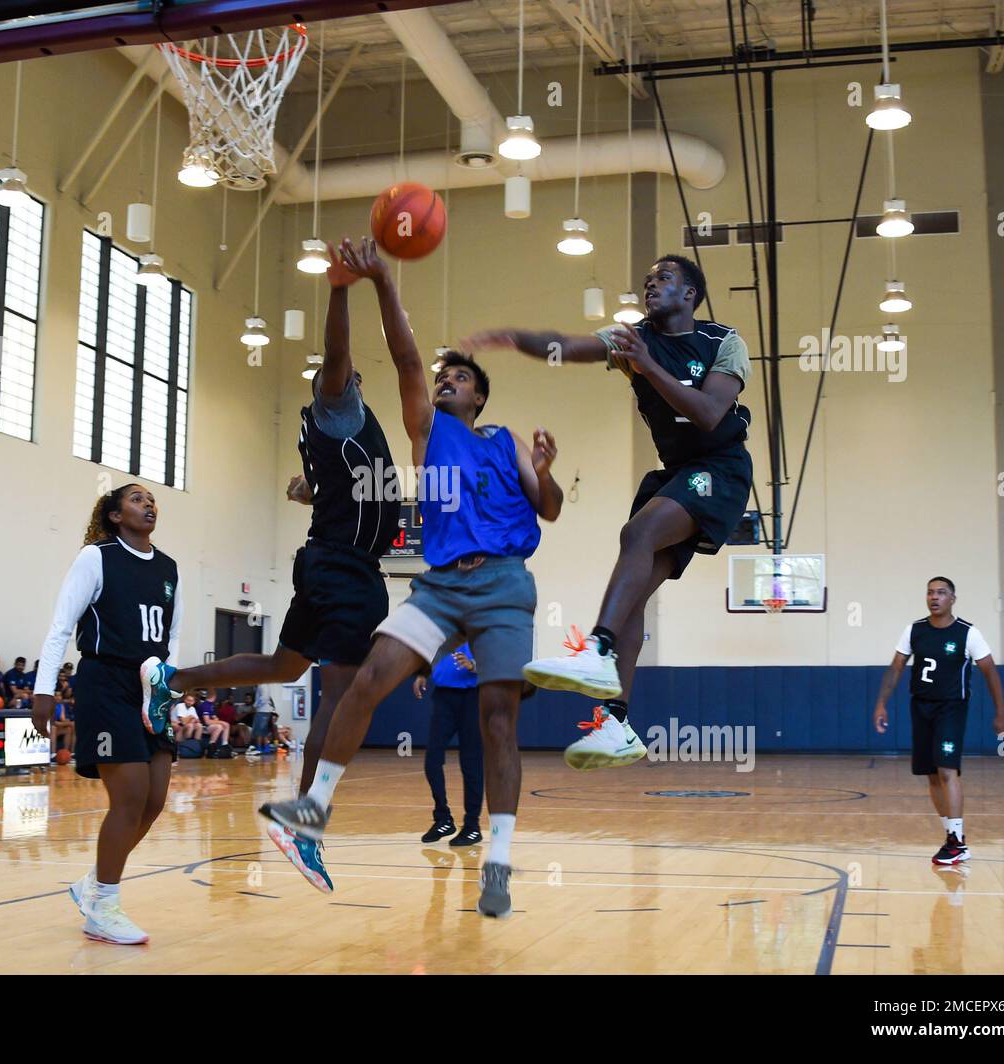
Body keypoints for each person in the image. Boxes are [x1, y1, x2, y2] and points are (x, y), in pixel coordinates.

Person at [251, 237, 564, 918]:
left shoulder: (502, 439)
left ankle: (500, 863)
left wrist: (545, 465)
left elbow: (550, 508)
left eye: (460, 376)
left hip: (506, 585)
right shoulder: (427, 431)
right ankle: (309, 812)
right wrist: (383, 281)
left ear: (481, 394)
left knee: (499, 722)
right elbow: (403, 355)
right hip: (441, 584)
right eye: (443, 373)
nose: (446, 379)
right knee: (367, 678)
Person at [144, 248, 403, 893]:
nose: (348, 378)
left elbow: (336, 484)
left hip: (325, 561)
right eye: (340, 377)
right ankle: (304, 822)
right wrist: (341, 289)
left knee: (284, 667)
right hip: (346, 571)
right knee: (342, 694)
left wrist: (309, 487)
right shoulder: (341, 406)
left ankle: (172, 680)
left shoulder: (343, 439)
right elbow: (337, 354)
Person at [464, 255, 752, 771]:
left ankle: (595, 649)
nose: (651, 285)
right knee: (634, 591)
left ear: (689, 293)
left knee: (637, 533)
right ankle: (616, 723)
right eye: (648, 279)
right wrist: (514, 337)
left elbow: (709, 414)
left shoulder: (723, 342)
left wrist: (647, 364)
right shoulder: (631, 338)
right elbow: (566, 345)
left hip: (721, 468)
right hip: (677, 475)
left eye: (663, 278)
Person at [32, 483, 182, 945]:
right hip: (105, 682)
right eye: (137, 499)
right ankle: (103, 906)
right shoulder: (96, 557)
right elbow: (61, 625)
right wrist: (43, 690)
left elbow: (172, 637)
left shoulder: (169, 568)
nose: (148, 504)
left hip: (150, 685)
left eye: (151, 499)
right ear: (115, 515)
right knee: (130, 796)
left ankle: (93, 885)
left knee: (154, 800)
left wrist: (168, 690)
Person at [873, 577, 1004, 865]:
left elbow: (991, 673)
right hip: (920, 708)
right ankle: (951, 837)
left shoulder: (968, 633)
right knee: (931, 774)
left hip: (951, 708)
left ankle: (957, 841)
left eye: (941, 593)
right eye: (930, 592)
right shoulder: (914, 630)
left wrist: (1001, 713)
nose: (934, 597)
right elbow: (896, 667)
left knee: (947, 770)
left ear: (953, 599)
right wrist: (881, 703)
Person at [414, 643, 484, 847]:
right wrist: (422, 673)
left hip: (473, 698)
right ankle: (443, 819)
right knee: (432, 761)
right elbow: (433, 651)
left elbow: (498, 659)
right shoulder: (445, 626)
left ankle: (472, 826)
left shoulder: (481, 625)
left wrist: (474, 665)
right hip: (443, 697)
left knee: (471, 765)